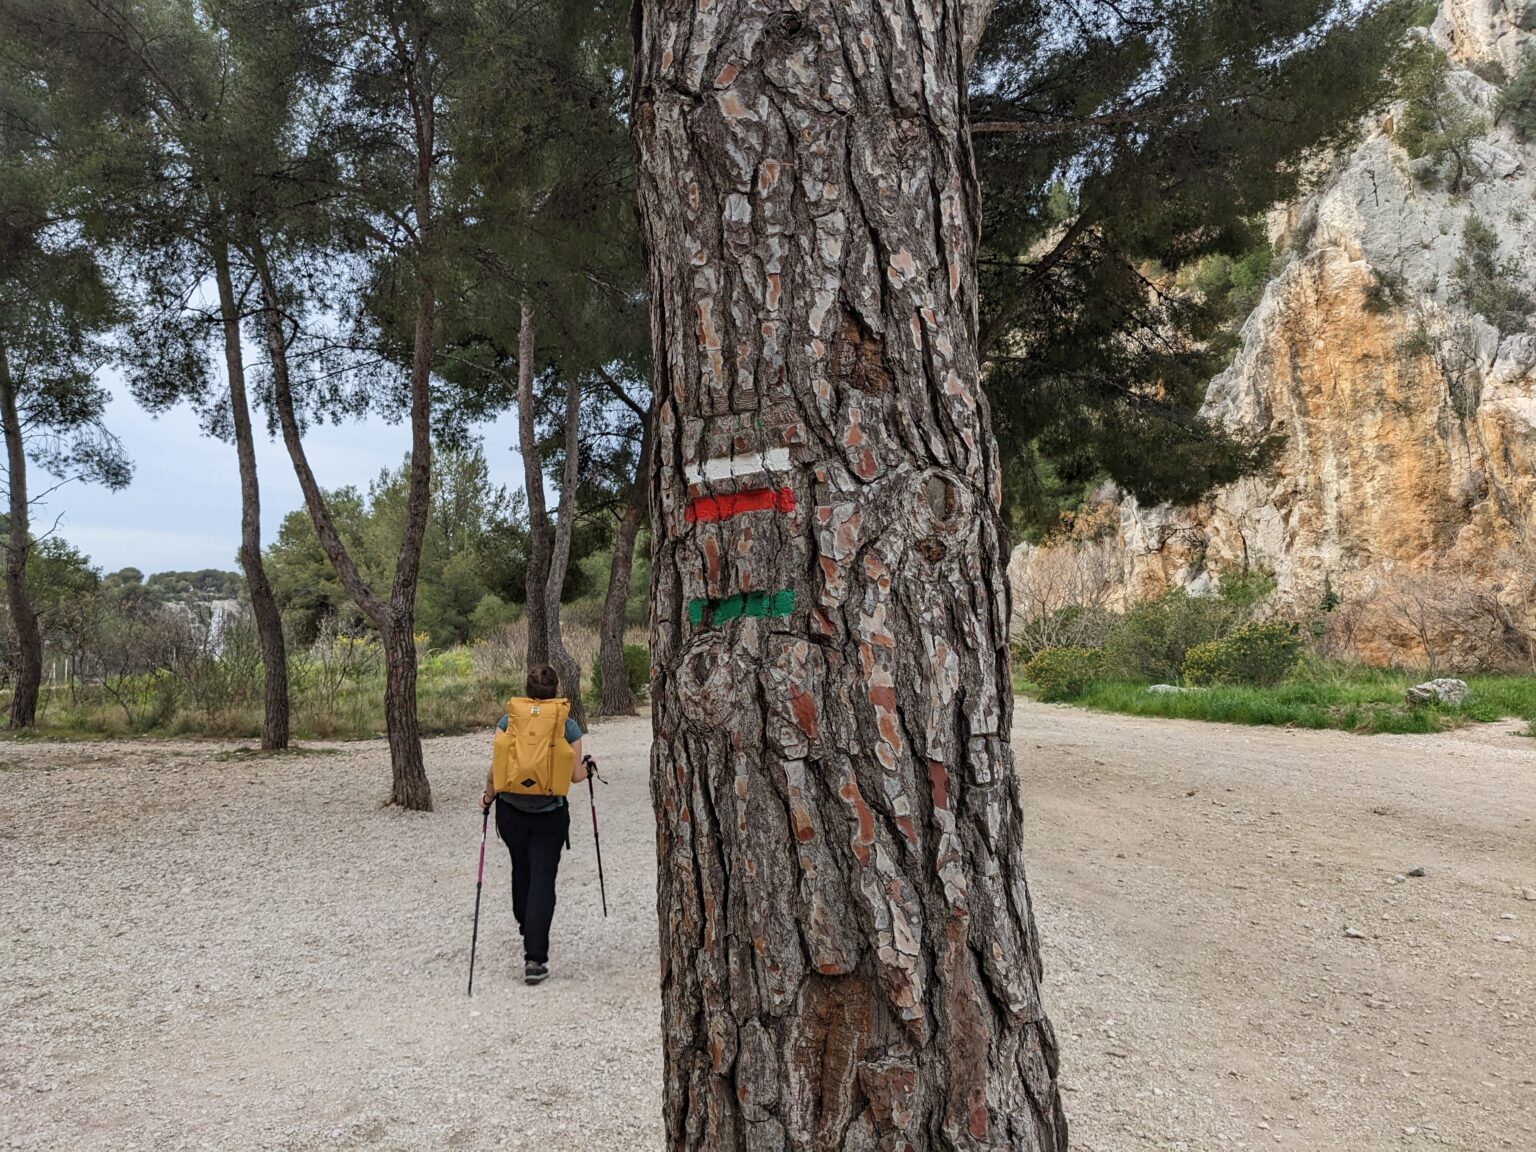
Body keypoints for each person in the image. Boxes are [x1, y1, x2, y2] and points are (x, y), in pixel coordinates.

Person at [481, 663, 589, 985]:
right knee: (543, 878)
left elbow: (494, 771)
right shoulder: (567, 727)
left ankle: (527, 923)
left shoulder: (507, 722)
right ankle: (535, 960)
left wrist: (487, 800)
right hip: (549, 815)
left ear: (527, 692)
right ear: (557, 691)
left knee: (521, 869)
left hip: (511, 812)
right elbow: (576, 776)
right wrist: (589, 766)